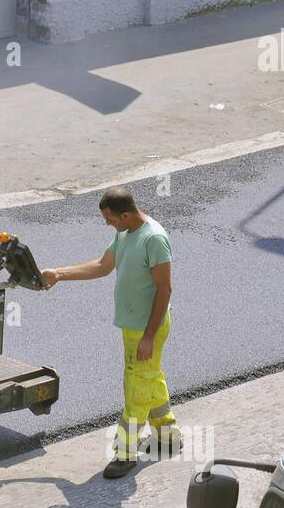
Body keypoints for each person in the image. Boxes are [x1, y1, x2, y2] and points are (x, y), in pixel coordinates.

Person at [40, 187, 180, 478]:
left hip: (146, 328)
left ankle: (125, 455)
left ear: (125, 215)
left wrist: (149, 336)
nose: (108, 224)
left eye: (110, 219)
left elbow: (165, 289)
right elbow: (103, 266)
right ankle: (168, 437)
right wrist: (60, 274)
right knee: (149, 378)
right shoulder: (125, 234)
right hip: (134, 328)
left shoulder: (153, 239)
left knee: (135, 390)